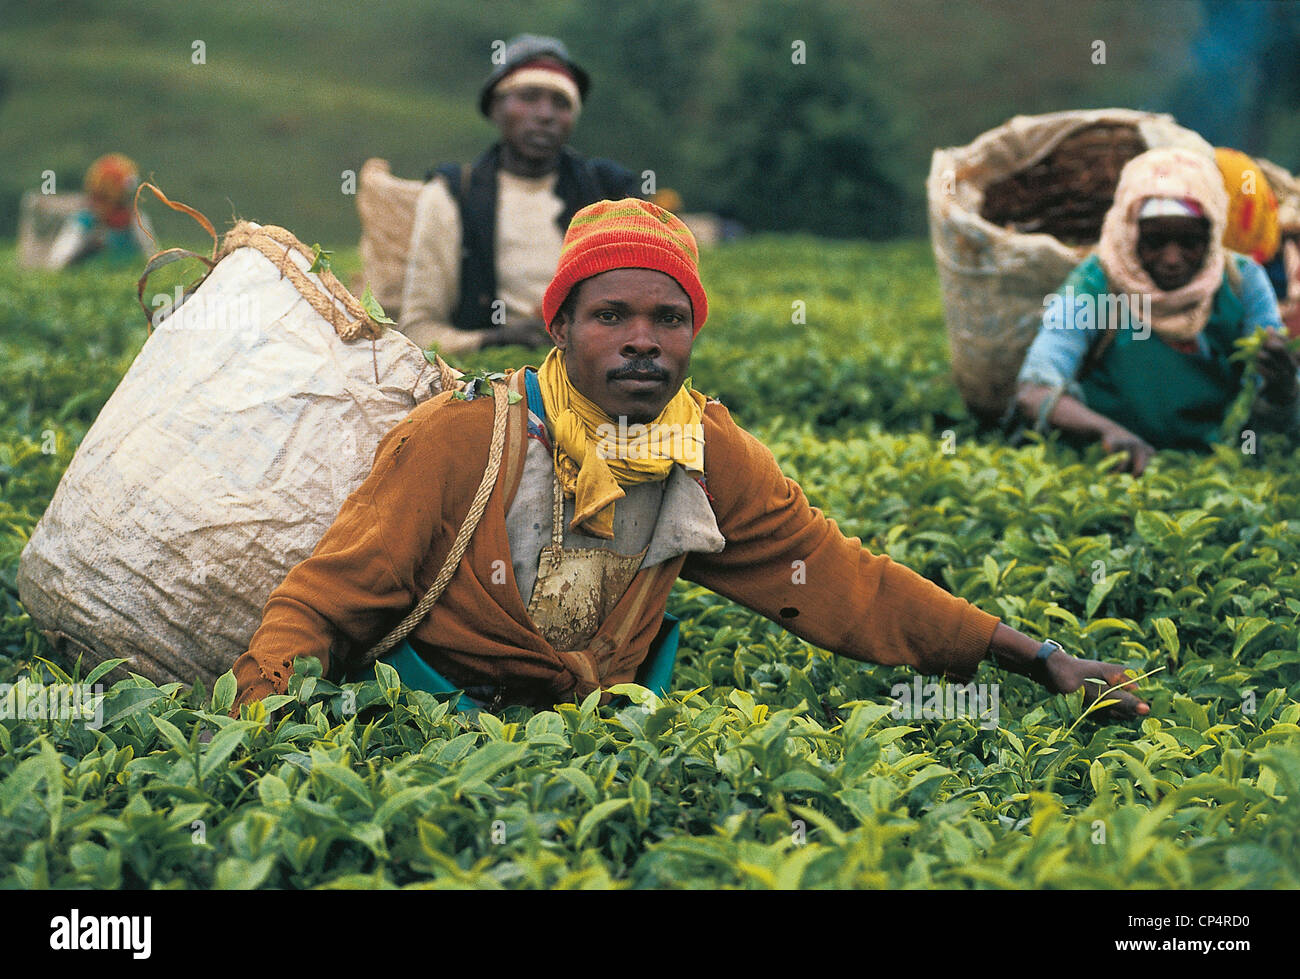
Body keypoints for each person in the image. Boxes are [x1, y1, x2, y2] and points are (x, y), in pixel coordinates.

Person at [233, 198, 1147, 722]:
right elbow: (322, 603)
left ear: (692, 332)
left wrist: (1037, 657)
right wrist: (262, 732)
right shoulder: (464, 436)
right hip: (433, 734)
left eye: (668, 319)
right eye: (610, 317)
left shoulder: (702, 450)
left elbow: (841, 580)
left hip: (600, 750)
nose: (642, 342)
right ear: (560, 326)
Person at [1017, 147, 1299, 475]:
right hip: (1110, 468)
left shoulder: (1241, 280)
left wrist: (1283, 385)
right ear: (1129, 233)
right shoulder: (1097, 282)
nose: (1172, 259)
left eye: (1189, 242)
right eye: (1154, 242)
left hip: (1216, 469)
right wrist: (1108, 433)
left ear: (1212, 235)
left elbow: (1278, 416)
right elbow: (1034, 391)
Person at [398, 34, 641, 357]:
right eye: (529, 97)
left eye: (561, 103)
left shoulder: (609, 193)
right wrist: (496, 339)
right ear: (496, 108)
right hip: (490, 376)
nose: (545, 114)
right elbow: (418, 331)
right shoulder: (450, 197)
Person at [45, 153, 153, 270]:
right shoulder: (84, 222)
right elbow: (57, 262)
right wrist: (88, 248)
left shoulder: (135, 220)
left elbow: (152, 255)